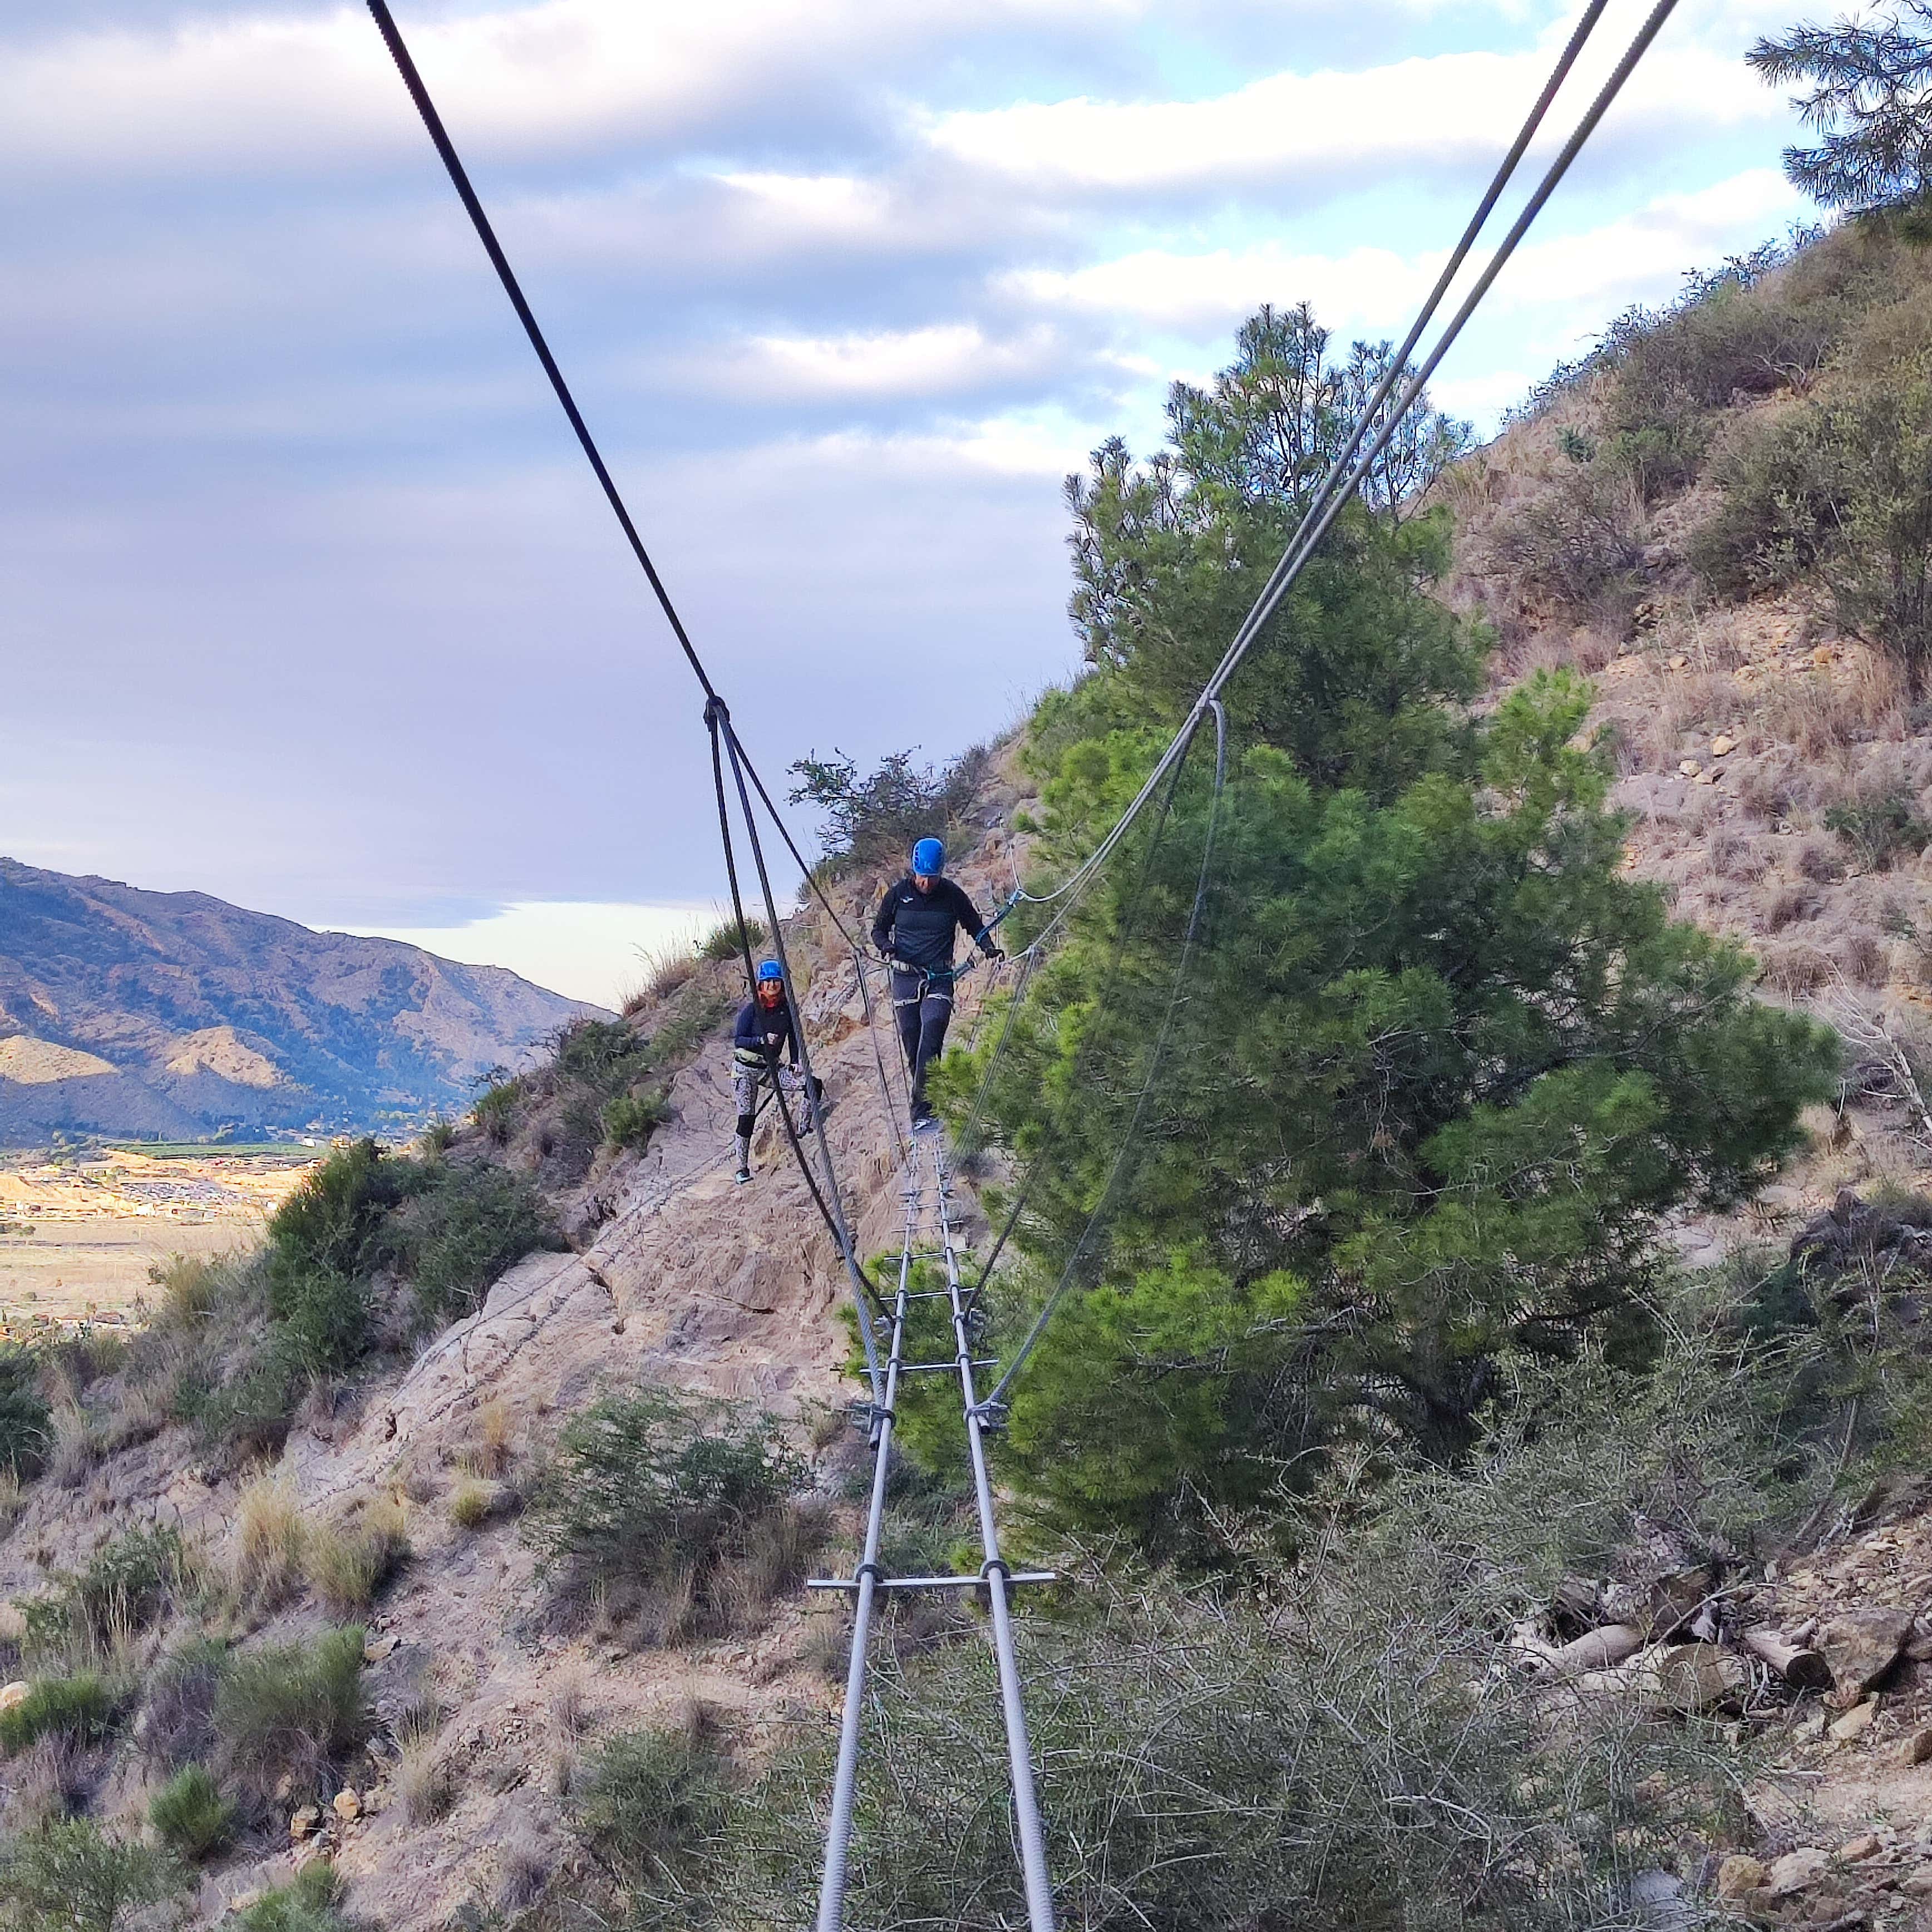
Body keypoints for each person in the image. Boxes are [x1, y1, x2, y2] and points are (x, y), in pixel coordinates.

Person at [870, 836, 1001, 1127]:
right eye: (922, 877)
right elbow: (878, 930)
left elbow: (973, 925)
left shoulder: (952, 895)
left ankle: (923, 1112)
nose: (926, 883)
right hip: (905, 978)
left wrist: (988, 947)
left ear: (940, 872)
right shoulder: (898, 894)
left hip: (939, 979)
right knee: (913, 1044)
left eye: (932, 877)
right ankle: (931, 1098)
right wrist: (886, 946)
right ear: (914, 870)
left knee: (932, 1033)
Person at [730, 959, 817, 1183]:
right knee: (746, 1118)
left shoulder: (786, 1010)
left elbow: (794, 1037)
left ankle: (803, 1129)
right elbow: (739, 1040)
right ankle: (742, 1168)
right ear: (761, 984)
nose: (772, 985)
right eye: (768, 981)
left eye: (775, 981)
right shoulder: (752, 1010)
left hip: (770, 1068)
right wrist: (761, 1040)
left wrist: (796, 1061)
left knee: (812, 1084)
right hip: (745, 1069)